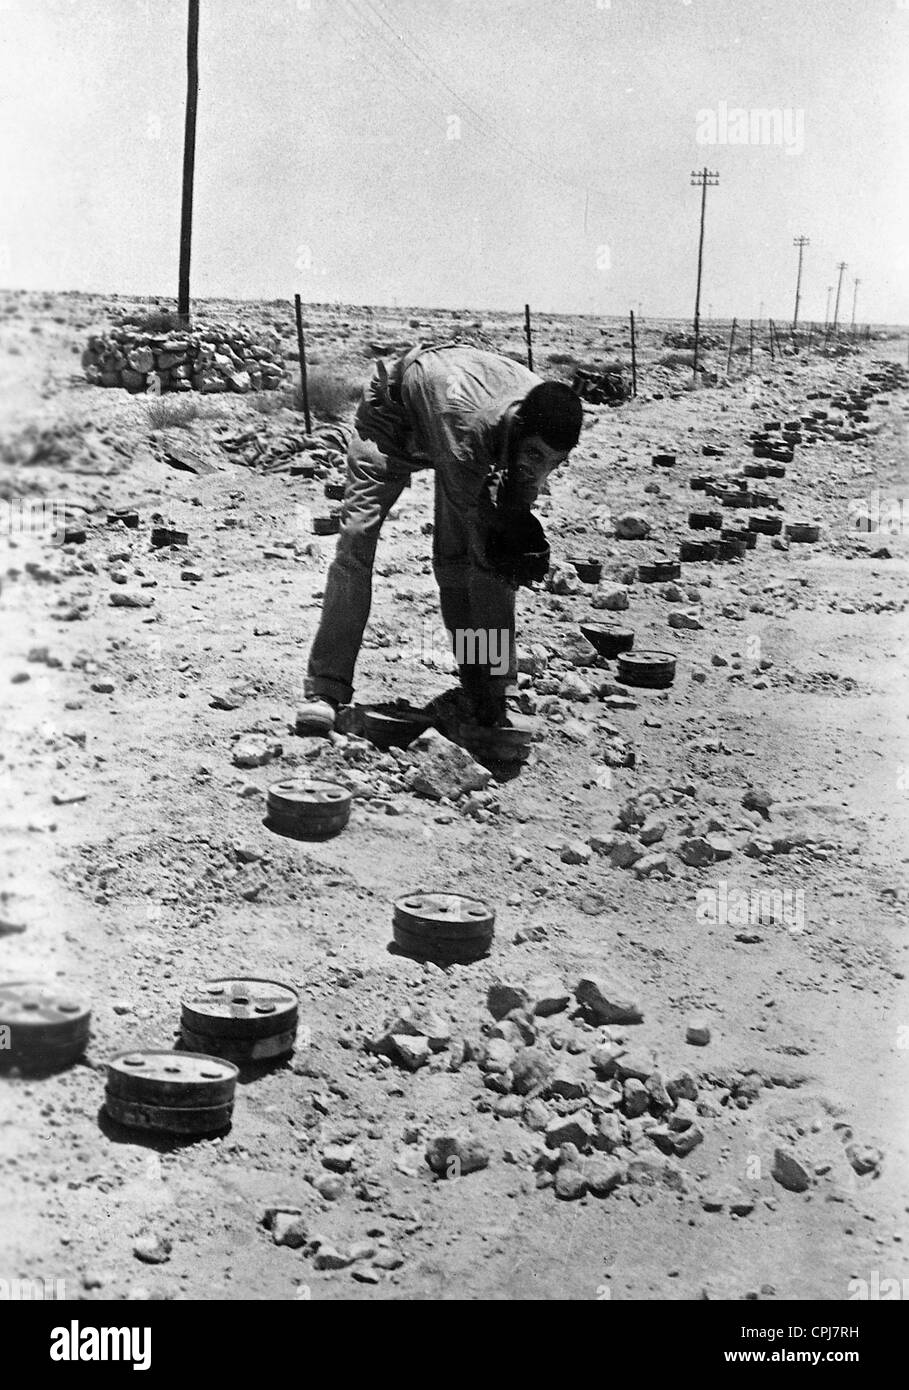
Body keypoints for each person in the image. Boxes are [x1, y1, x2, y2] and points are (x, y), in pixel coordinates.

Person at [296, 341, 583, 736]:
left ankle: (483, 684)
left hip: (463, 426)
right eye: (534, 458)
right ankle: (325, 690)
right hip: (393, 421)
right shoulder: (467, 431)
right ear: (518, 430)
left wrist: (518, 518)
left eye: (554, 463)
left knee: (489, 561)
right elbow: (466, 554)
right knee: (359, 539)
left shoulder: (540, 413)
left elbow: (512, 509)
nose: (542, 472)